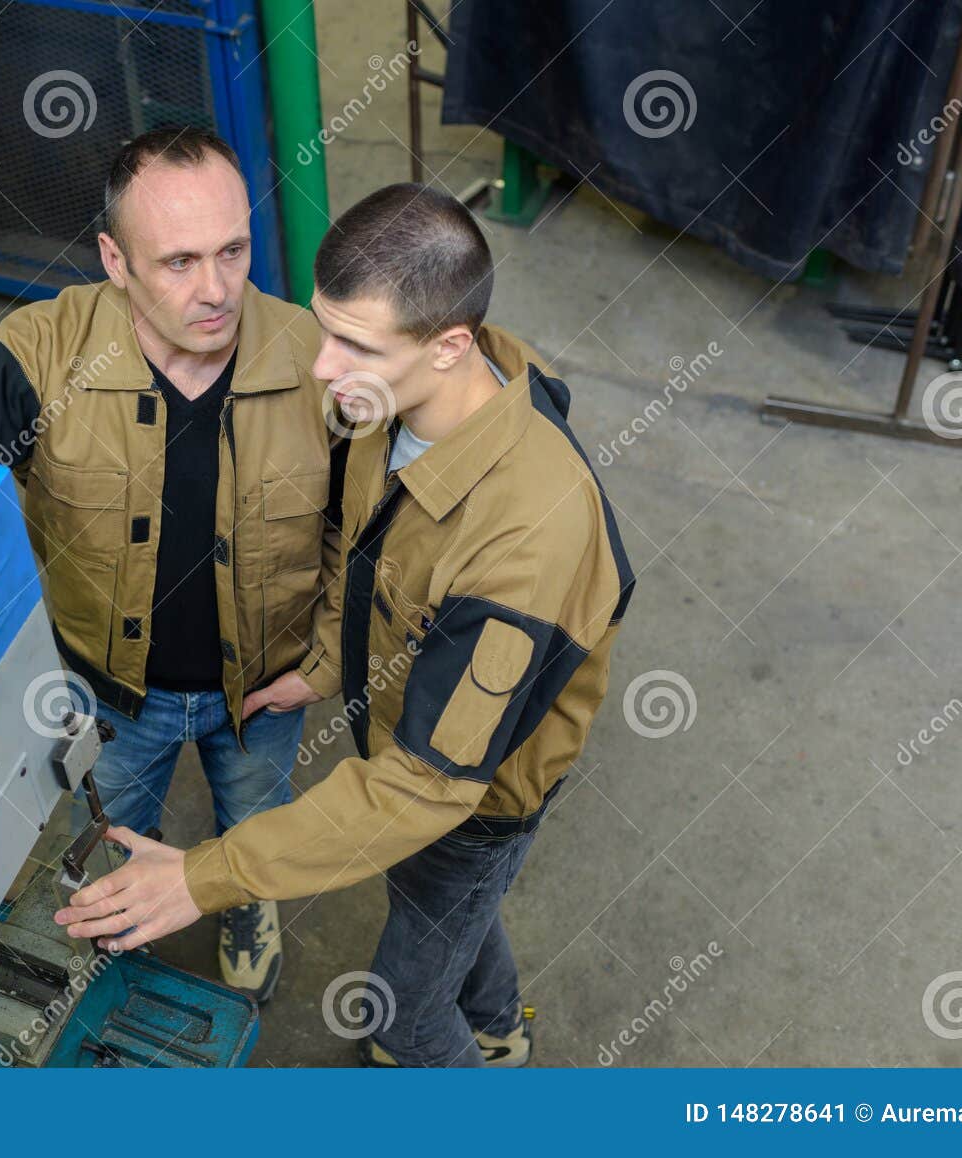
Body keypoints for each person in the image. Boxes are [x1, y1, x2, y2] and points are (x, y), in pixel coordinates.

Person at [53, 182, 636, 1067]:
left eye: (354, 344)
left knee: (405, 1012)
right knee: (443, 918)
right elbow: (369, 555)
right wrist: (325, 664)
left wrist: (204, 878)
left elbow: (428, 789)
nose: (320, 366)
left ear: (449, 346)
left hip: (471, 802)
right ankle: (498, 1026)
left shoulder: (528, 541)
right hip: (399, 741)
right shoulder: (404, 404)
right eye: (326, 328)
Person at [0, 126, 342, 1003]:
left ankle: (245, 900)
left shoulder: (319, 362)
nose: (216, 292)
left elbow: (373, 541)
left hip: (266, 695)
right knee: (101, 840)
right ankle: (107, 925)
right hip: (106, 698)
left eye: (233, 251)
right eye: (176, 262)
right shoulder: (37, 355)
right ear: (114, 259)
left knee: (253, 824)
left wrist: (323, 666)